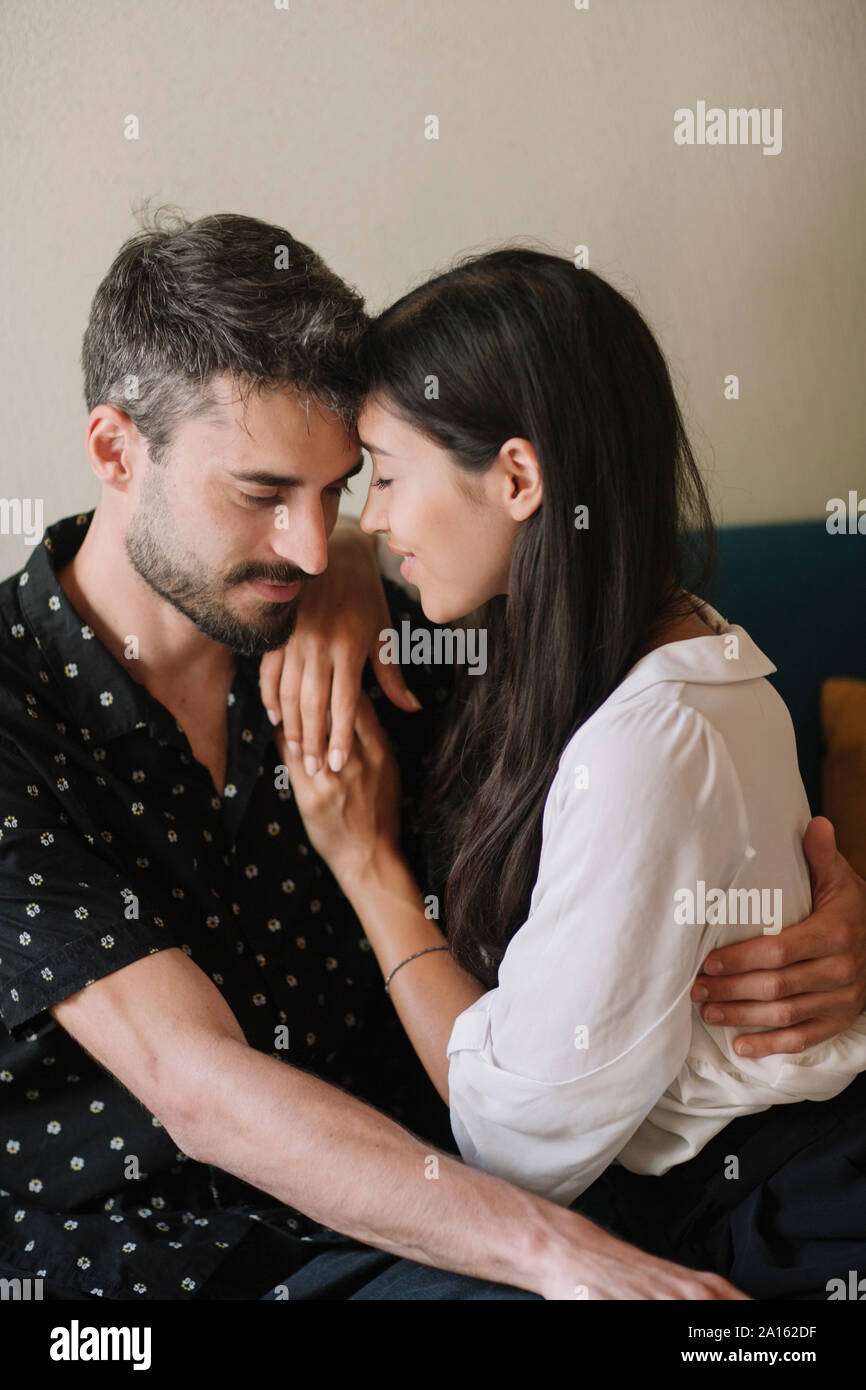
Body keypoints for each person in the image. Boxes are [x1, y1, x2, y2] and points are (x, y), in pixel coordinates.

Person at [0, 215, 860, 1303]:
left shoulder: (406, 621)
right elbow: (195, 1081)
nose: (312, 546)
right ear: (117, 450)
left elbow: (670, 792)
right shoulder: (16, 711)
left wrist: (817, 918)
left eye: (344, 488)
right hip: (169, 1251)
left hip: (453, 1196)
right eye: (265, 494)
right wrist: (556, 1255)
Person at [269, 247, 866, 1300]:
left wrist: (364, 867)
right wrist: (353, 572)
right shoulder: (641, 649)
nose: (371, 517)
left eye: (386, 473)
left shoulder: (648, 743)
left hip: (791, 1213)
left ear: (515, 477)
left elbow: (517, 1139)